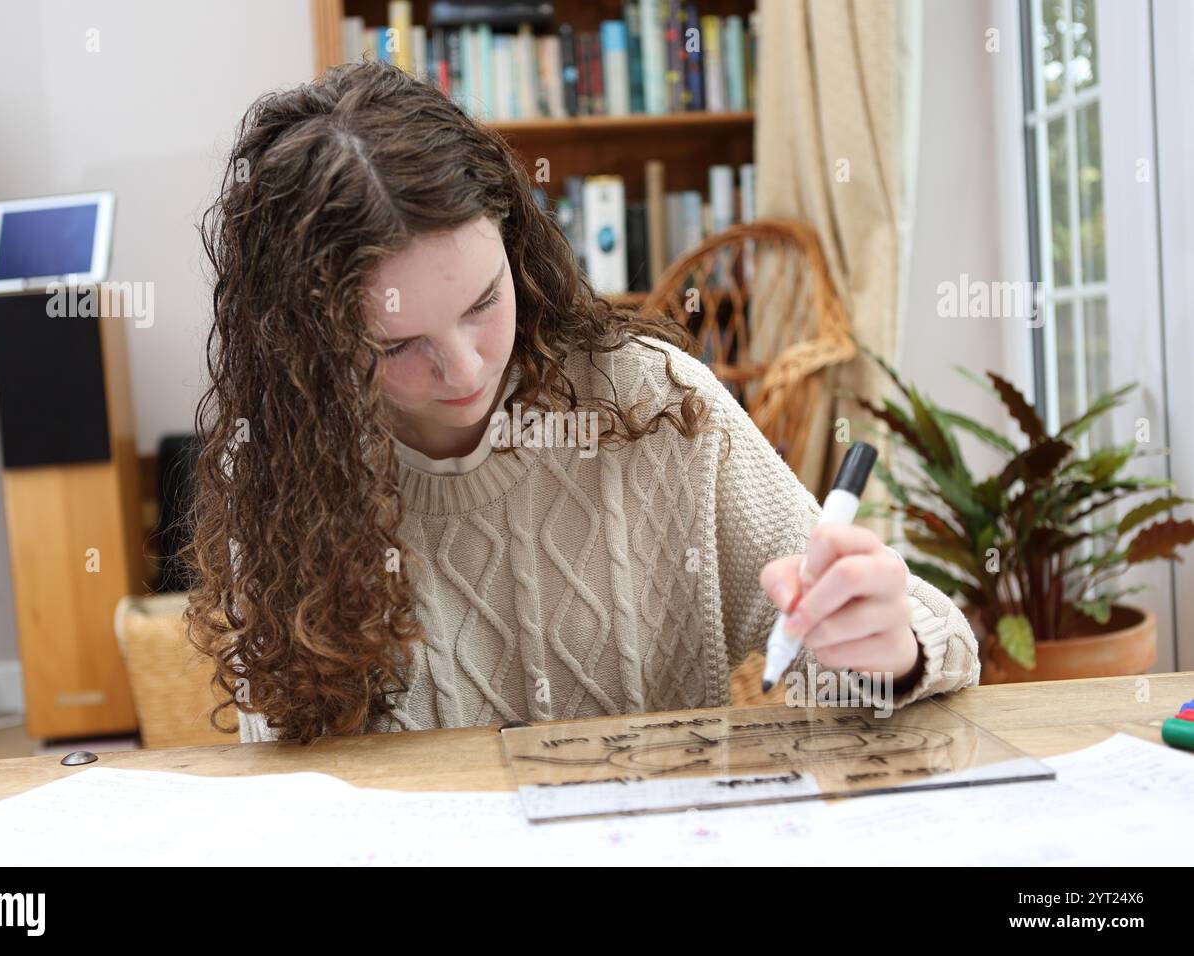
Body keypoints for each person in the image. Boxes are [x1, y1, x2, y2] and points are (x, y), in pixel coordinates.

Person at [185, 58, 979, 745]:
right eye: (397, 346)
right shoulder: (277, 469)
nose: (464, 369)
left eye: (482, 302)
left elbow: (905, 645)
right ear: (309, 343)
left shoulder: (650, 400)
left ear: (515, 243)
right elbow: (299, 788)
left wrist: (890, 648)